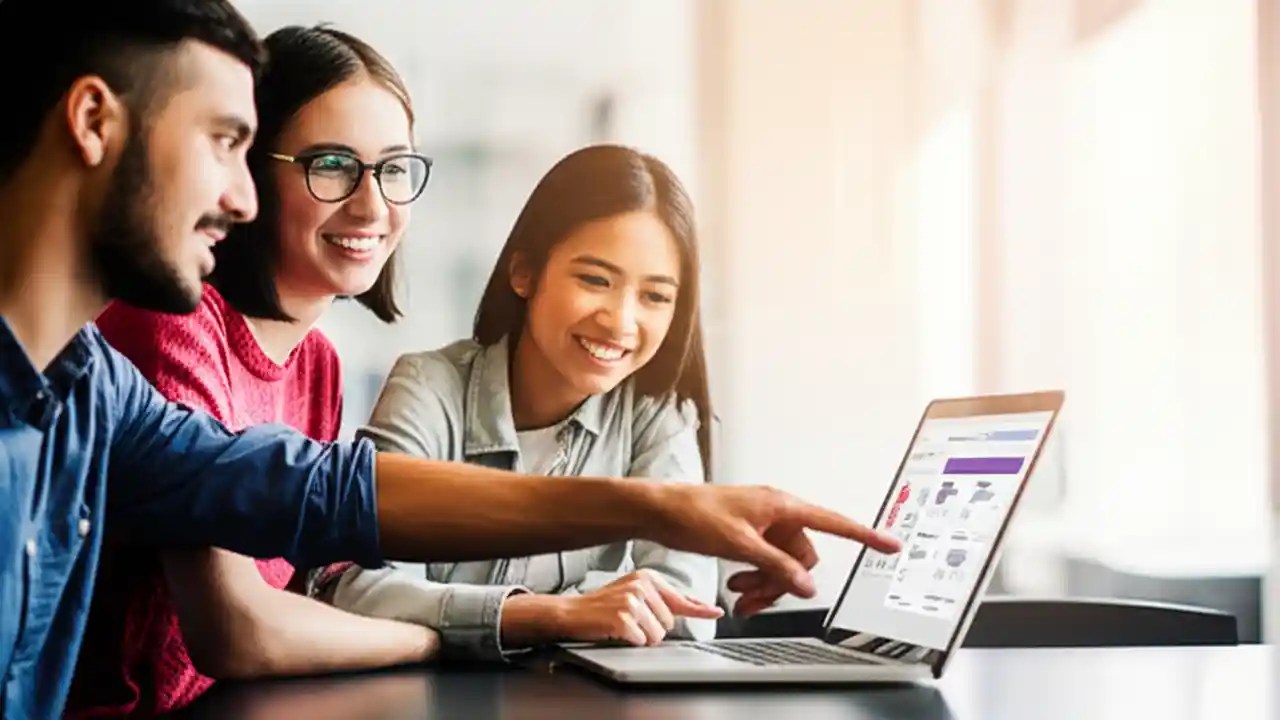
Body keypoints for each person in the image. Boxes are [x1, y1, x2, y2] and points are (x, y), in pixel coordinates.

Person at [0, 1, 899, 716]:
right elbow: (257, 615)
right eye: (226, 145)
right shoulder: (156, 343)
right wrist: (490, 627)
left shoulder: (102, 391)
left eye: (395, 169)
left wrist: (669, 509)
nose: (235, 198)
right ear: (92, 121)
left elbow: (324, 493)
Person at [68, 26, 442, 717]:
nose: (372, 206)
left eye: (394, 168)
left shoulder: (318, 363)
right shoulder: (169, 329)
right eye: (331, 165)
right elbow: (236, 629)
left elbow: (313, 588)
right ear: (248, 172)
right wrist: (431, 640)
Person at [318, 145, 726, 658]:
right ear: (525, 273)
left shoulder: (655, 417)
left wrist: (451, 613)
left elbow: (686, 610)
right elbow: (355, 588)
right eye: (595, 280)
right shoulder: (429, 386)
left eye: (655, 296)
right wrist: (554, 615)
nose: (622, 321)